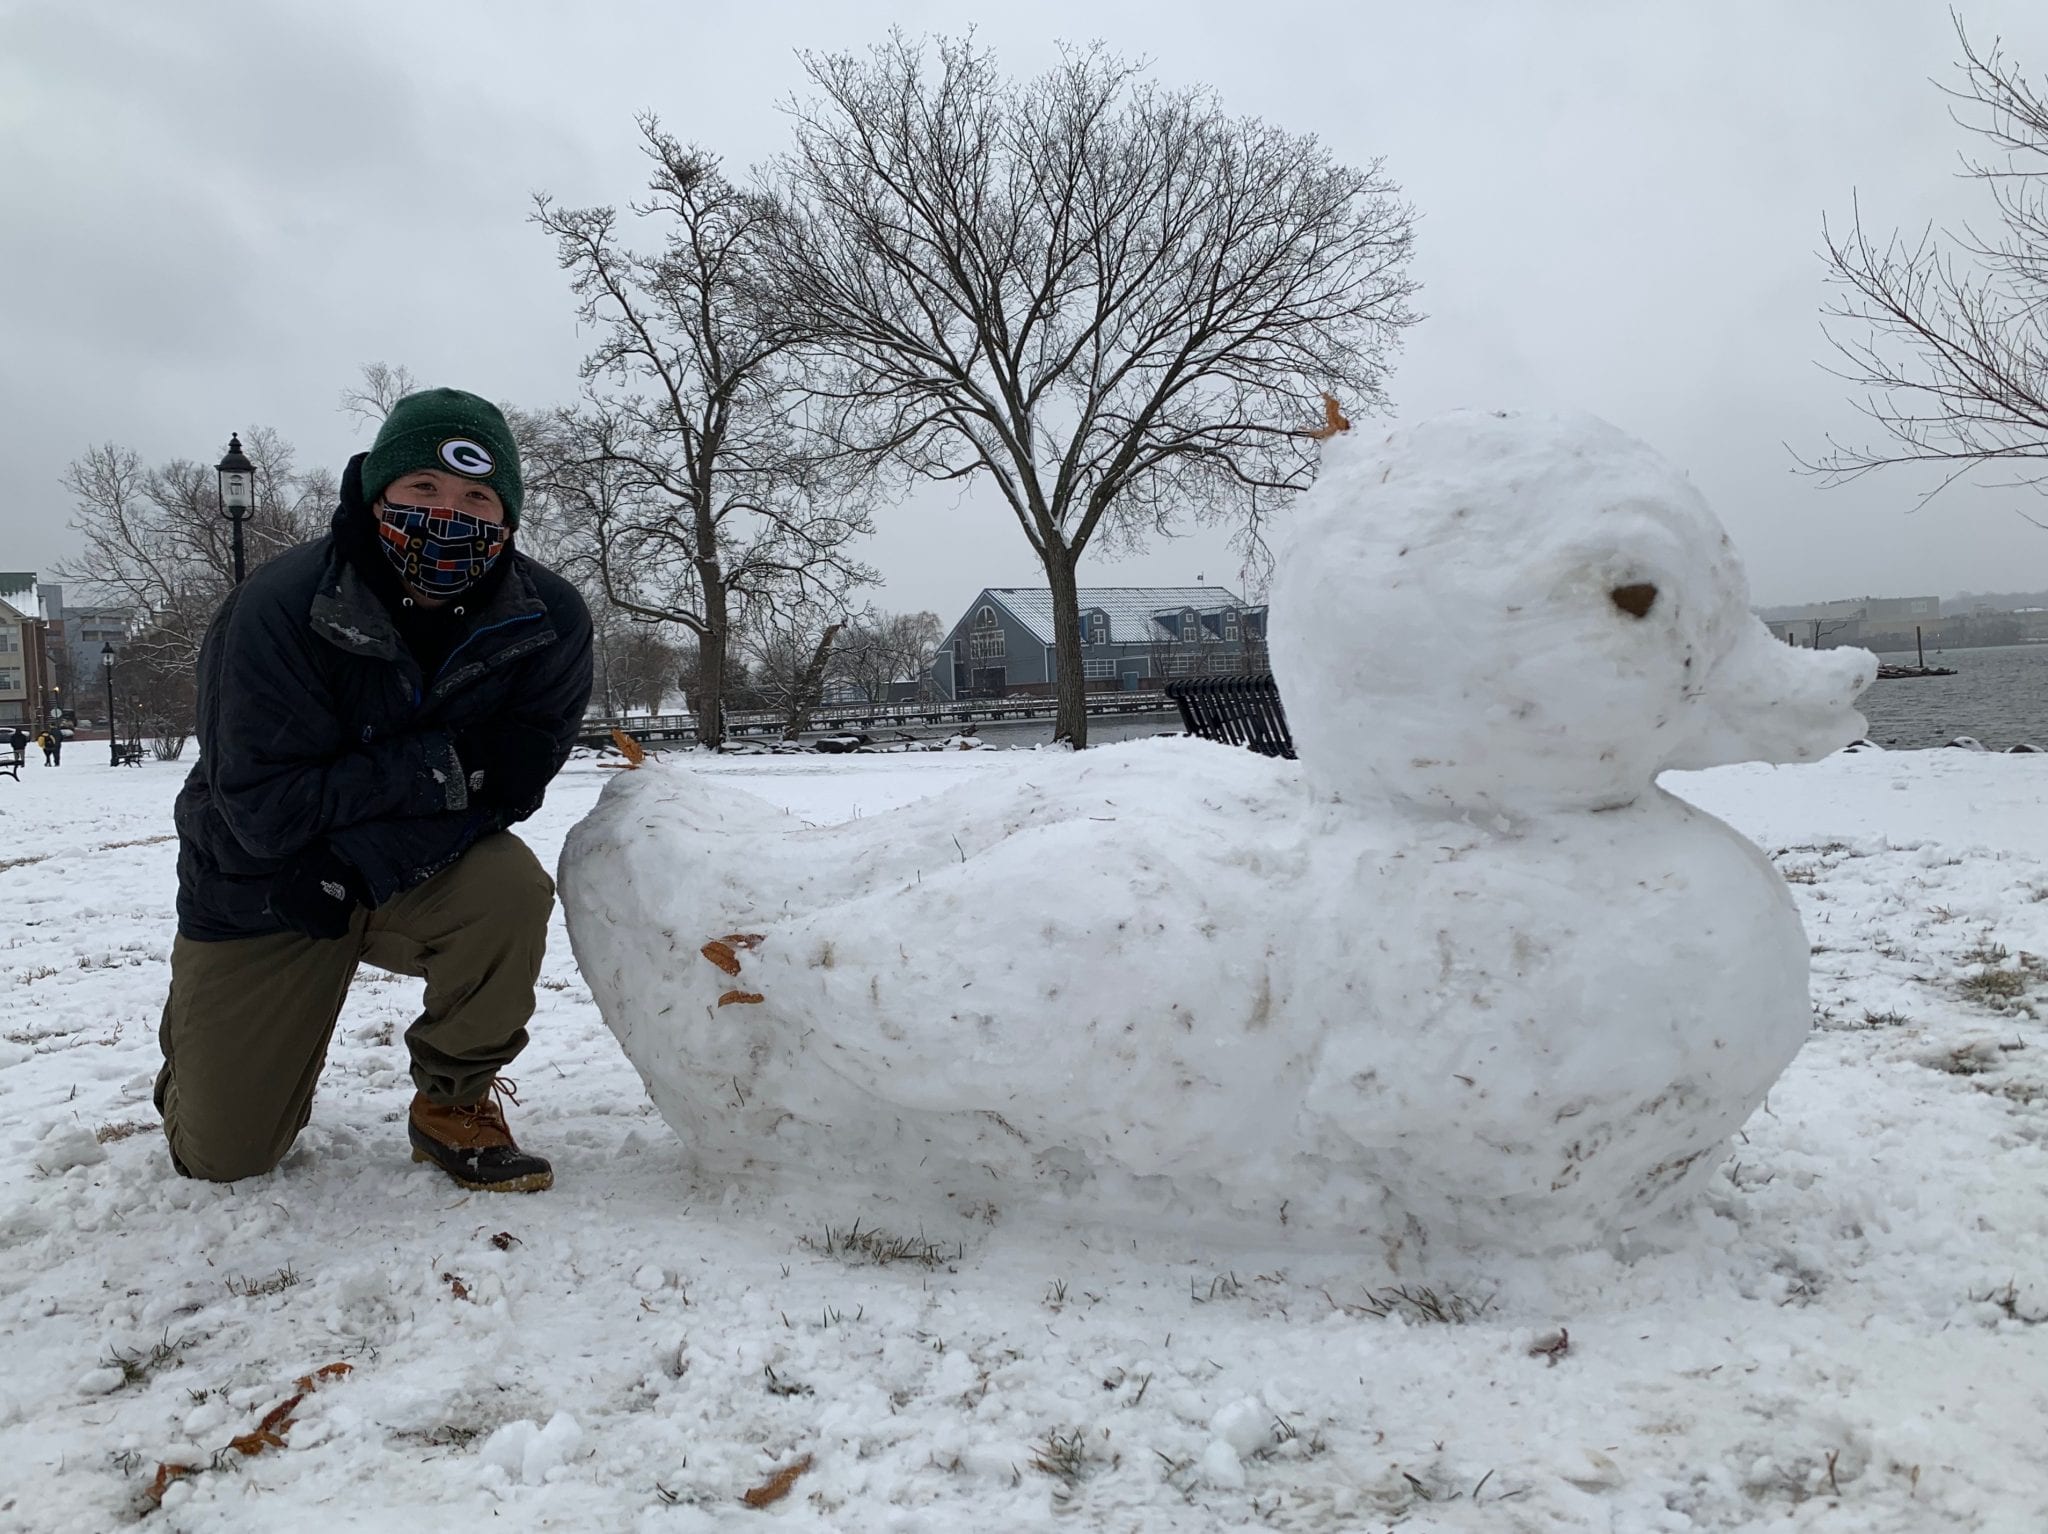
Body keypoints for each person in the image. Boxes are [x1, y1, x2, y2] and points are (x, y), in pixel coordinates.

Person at [157, 388, 593, 1193]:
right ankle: (203, 1039)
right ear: (376, 492)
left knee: (508, 889)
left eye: (476, 498)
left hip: (400, 874)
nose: (448, 516)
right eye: (422, 491)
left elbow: (513, 786)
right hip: (264, 884)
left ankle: (451, 1102)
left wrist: (361, 863)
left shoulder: (549, 620)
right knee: (224, 1158)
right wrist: (449, 766)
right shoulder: (277, 607)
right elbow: (265, 808)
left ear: (509, 515)